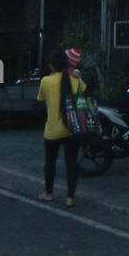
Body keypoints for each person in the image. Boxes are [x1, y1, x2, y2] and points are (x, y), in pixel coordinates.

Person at [36, 49, 85, 208]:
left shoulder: (46, 81)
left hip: (52, 130)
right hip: (72, 128)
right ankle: (70, 198)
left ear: (51, 66)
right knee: (71, 163)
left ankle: (49, 193)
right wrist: (74, 74)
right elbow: (83, 90)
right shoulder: (75, 79)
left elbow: (41, 99)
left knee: (50, 163)